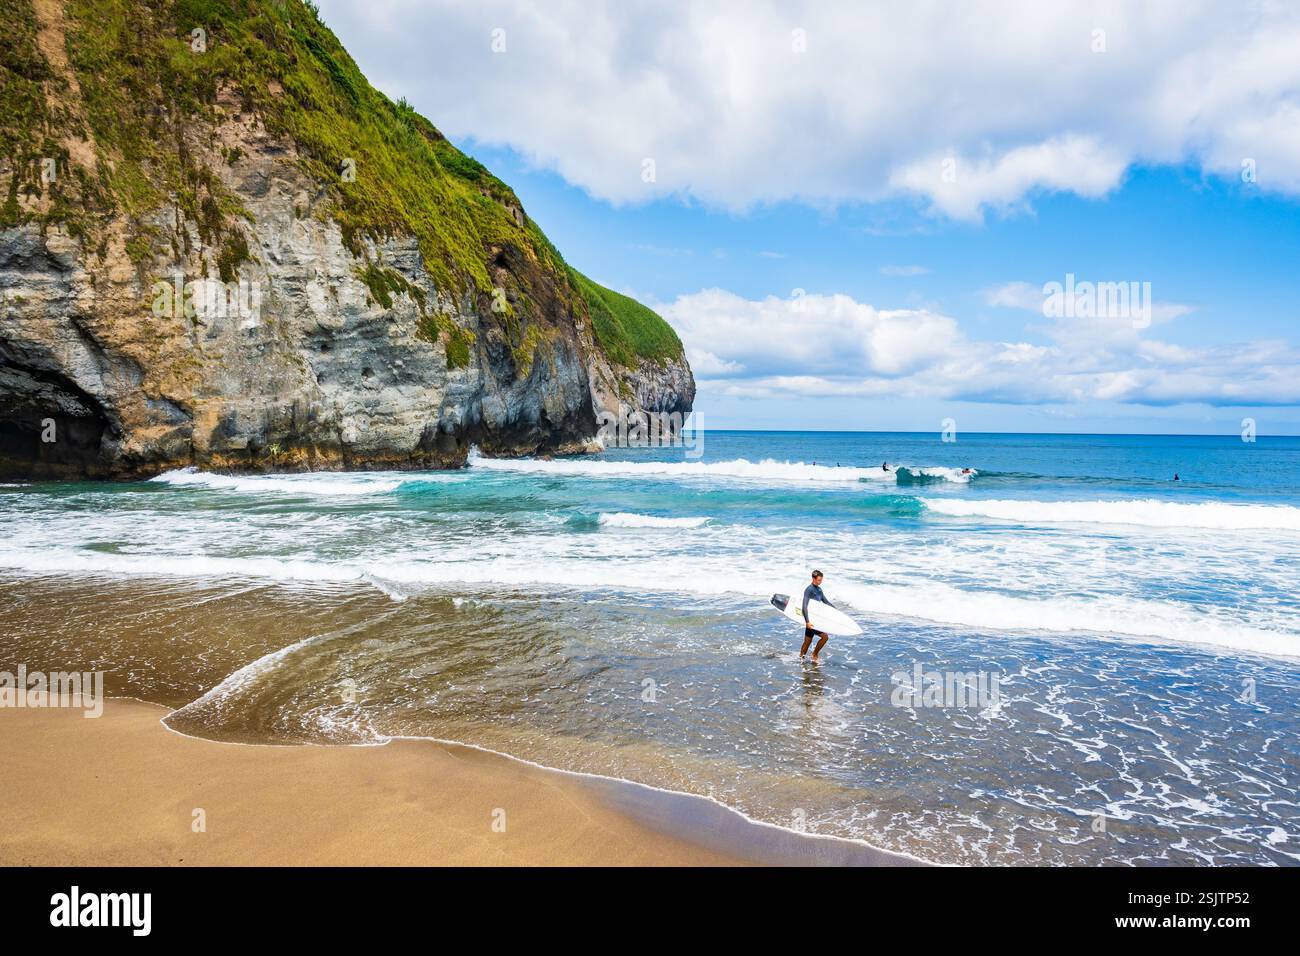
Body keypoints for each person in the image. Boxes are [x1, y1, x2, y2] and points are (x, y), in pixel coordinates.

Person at [801, 569, 834, 662]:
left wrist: (836, 611)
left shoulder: (819, 589)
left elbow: (826, 602)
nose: (820, 582)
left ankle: (801, 658)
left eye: (821, 580)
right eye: (819, 580)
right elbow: (804, 606)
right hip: (811, 621)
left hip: (816, 619)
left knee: (807, 642)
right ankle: (814, 654)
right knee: (824, 637)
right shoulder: (809, 590)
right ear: (813, 579)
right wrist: (807, 621)